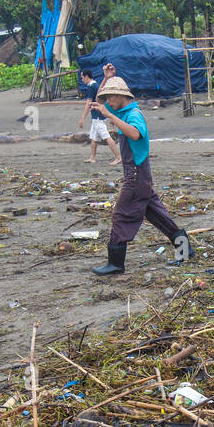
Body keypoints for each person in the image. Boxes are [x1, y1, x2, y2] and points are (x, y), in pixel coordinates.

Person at [90, 75, 193, 277]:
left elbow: (135, 134)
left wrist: (111, 117)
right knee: (158, 216)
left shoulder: (133, 114)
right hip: (140, 176)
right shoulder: (121, 110)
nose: (108, 102)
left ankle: (116, 264)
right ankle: (185, 250)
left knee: (121, 214)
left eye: (111, 97)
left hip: (136, 176)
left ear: (121, 97)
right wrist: (106, 78)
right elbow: (99, 102)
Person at [77, 68, 120, 165]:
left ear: (86, 77)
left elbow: (89, 103)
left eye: (82, 77)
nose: (82, 80)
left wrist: (83, 118)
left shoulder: (92, 87)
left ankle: (118, 157)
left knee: (106, 137)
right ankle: (93, 157)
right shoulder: (96, 86)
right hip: (98, 115)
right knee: (94, 137)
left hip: (98, 116)